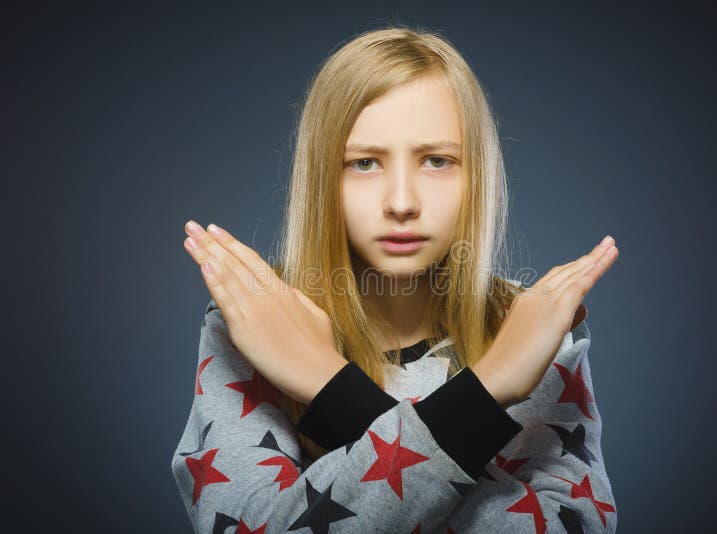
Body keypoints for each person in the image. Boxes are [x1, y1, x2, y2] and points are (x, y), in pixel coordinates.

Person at [171, 25, 619, 533]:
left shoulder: (537, 328)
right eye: (364, 163)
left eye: (437, 161)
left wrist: (333, 391)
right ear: (322, 179)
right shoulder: (255, 320)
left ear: (477, 176)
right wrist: (484, 397)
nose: (402, 202)